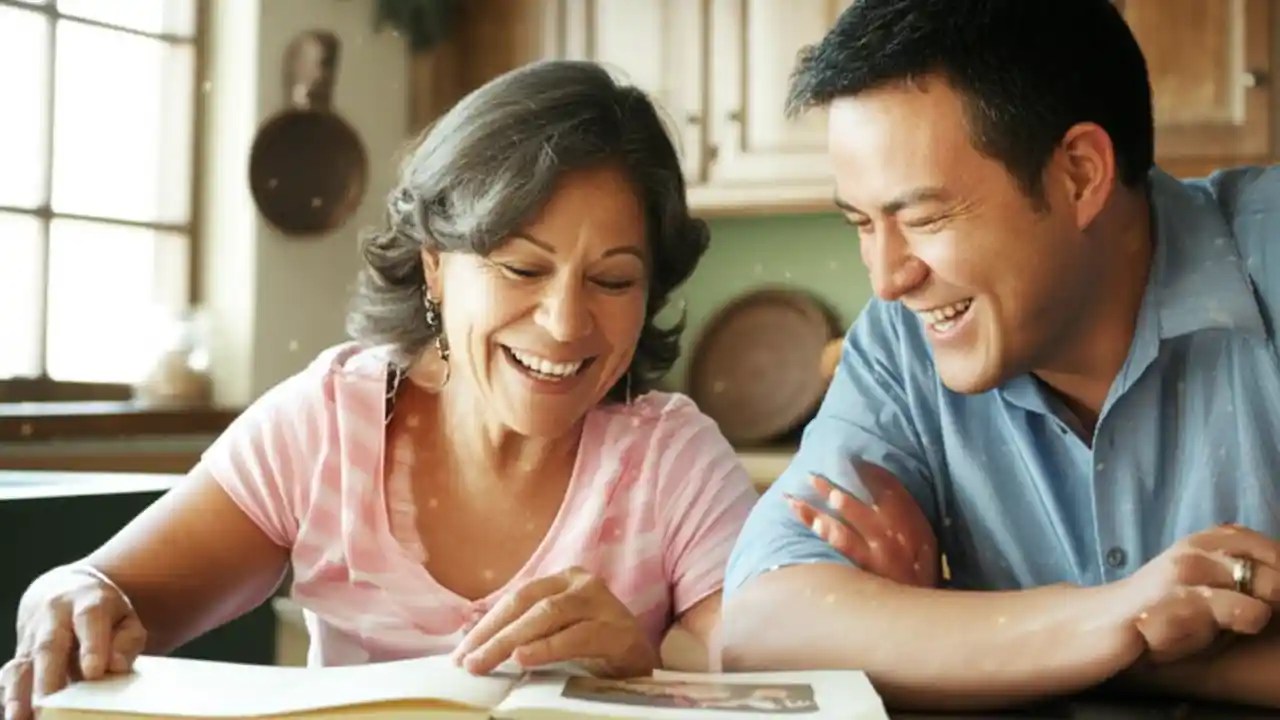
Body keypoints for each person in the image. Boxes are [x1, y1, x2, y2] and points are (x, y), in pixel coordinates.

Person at [0, 60, 760, 720]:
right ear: (435, 265)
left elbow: (784, 684)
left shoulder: (673, 461)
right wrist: (64, 599)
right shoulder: (327, 424)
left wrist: (646, 670)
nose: (565, 323)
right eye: (522, 268)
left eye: (613, 279)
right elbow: (107, 588)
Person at [720, 0, 1280, 712]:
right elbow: (761, 626)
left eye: (923, 220)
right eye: (862, 223)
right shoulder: (903, 339)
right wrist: (1118, 618)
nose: (888, 279)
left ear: (1079, 175)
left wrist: (975, 634)